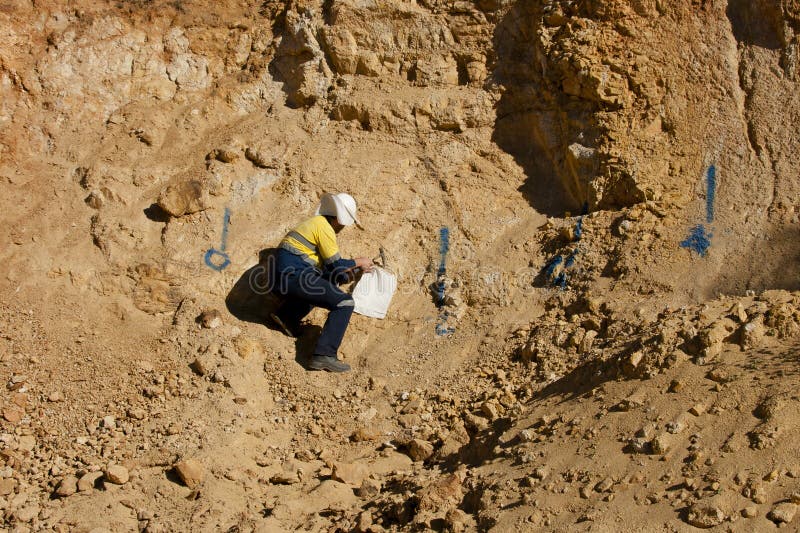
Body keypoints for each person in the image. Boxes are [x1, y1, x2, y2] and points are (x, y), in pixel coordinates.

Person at [270, 193, 374, 372]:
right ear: (339, 218)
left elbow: (333, 274)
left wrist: (355, 272)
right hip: (294, 277)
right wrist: (359, 261)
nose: (343, 227)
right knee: (344, 302)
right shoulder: (323, 227)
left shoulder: (313, 224)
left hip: (284, 279)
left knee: (327, 283)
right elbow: (337, 266)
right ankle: (324, 355)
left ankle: (286, 317)